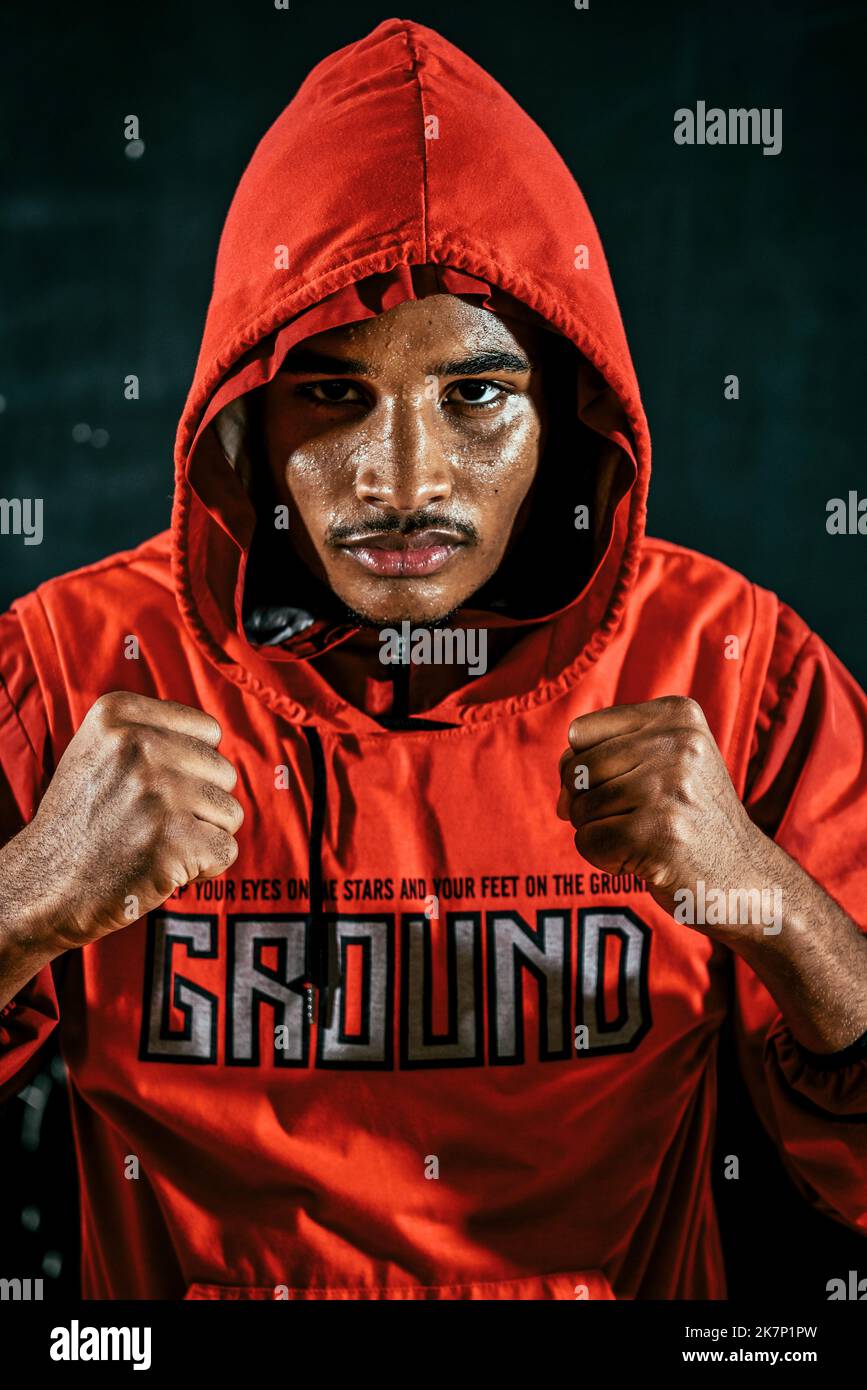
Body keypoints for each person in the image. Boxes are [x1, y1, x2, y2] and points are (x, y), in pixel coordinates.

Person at [0, 17, 865, 1301]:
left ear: (565, 412)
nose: (403, 481)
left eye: (475, 395)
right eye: (334, 394)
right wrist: (25, 901)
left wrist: (775, 903)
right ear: (244, 419)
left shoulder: (738, 670)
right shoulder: (68, 668)